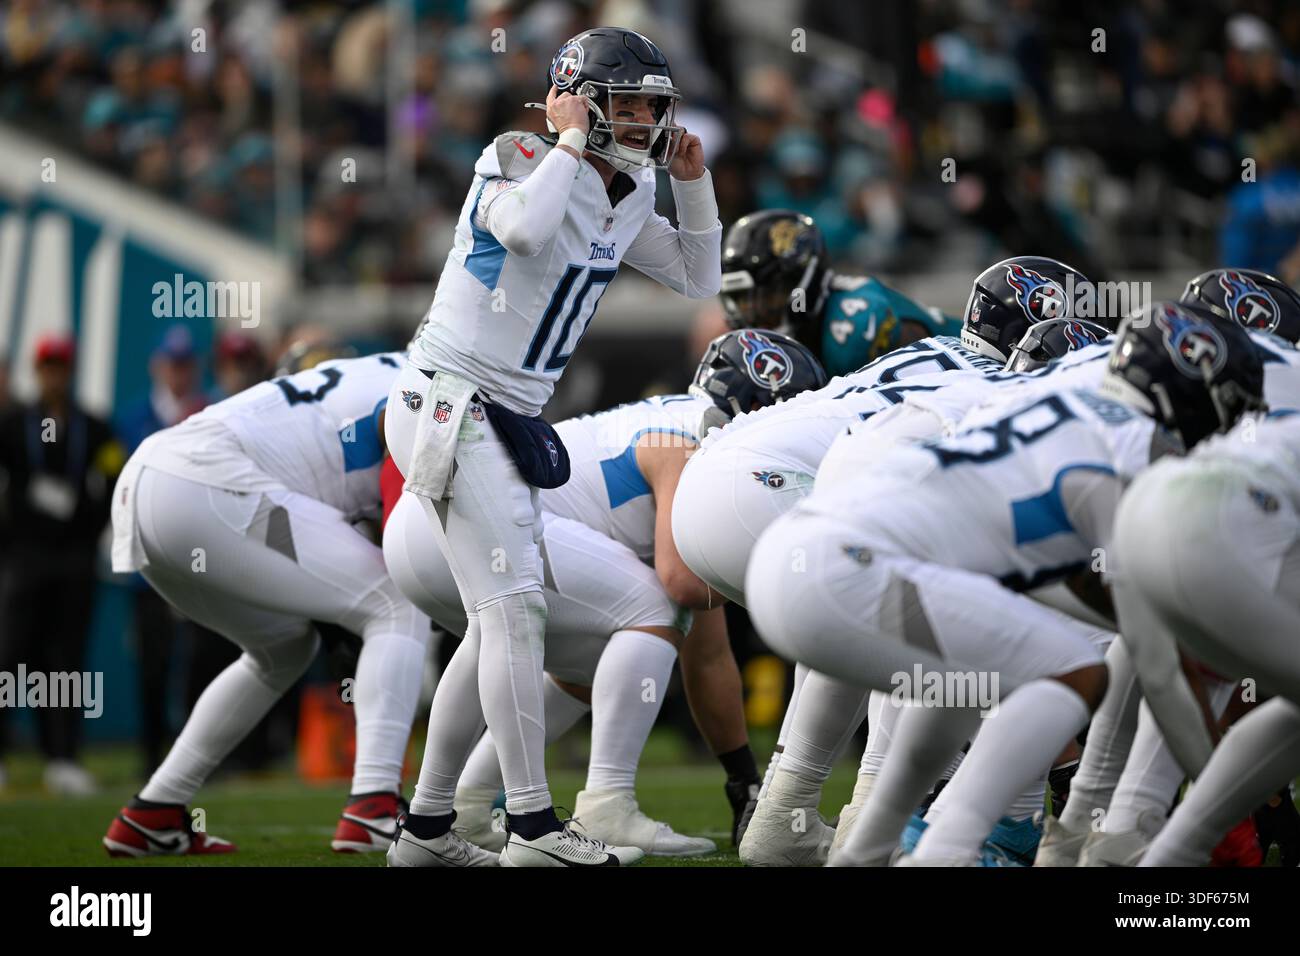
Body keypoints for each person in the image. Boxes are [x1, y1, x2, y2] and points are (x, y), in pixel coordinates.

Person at [744, 303, 1265, 866]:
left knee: (974, 674)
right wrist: (1223, 814)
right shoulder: (1126, 451)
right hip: (852, 570)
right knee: (1071, 670)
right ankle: (950, 851)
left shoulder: (1036, 402)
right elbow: (1157, 664)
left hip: (797, 556)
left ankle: (871, 849)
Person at [383, 26, 721, 867]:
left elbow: (698, 278)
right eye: (631, 102)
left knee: (497, 620)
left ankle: (425, 831)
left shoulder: (630, 187)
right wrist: (569, 138)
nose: (647, 119)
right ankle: (533, 828)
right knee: (514, 611)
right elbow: (530, 232)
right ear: (582, 98)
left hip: (503, 417)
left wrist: (696, 185)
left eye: (655, 103)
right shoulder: (520, 151)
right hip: (453, 398)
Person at [383, 329, 824, 858]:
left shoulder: (676, 423)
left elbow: (707, 651)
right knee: (653, 606)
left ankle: (465, 805)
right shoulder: (691, 444)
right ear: (758, 405)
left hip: (425, 524)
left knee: (593, 654)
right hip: (468, 519)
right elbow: (683, 587)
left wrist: (744, 778)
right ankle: (607, 803)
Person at [103, 350, 433, 857]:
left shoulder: (380, 373)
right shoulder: (428, 381)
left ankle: (155, 810)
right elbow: (395, 507)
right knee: (397, 601)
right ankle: (374, 804)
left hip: (149, 483)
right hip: (209, 485)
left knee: (282, 648)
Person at [0, 335, 124, 795]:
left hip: (73, 561)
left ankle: (63, 756)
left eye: (61, 366)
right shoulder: (14, 424)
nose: (54, 374)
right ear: (37, 371)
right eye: (47, 366)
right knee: (10, 658)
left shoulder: (92, 426)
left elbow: (114, 478)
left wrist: (90, 526)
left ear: (70, 371)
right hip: (24, 560)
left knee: (65, 661)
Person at [717, 209, 960, 377]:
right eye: (742, 300)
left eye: (768, 296)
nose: (753, 313)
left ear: (804, 279)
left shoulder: (855, 323)